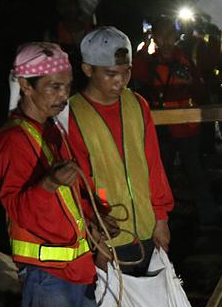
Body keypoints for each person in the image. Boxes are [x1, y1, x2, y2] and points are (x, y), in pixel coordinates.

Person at [0, 42, 123, 307]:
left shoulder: (54, 132)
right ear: (26, 87)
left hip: (77, 266)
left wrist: (98, 219)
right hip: (44, 272)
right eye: (52, 86)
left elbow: (74, 195)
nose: (62, 95)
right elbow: (17, 206)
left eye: (66, 86)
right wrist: (48, 184)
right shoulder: (11, 140)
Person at [67, 26, 175, 277]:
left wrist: (161, 218)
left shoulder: (137, 104)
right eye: (111, 74)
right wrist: (95, 232)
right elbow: (77, 183)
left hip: (147, 228)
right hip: (109, 233)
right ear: (88, 69)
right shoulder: (72, 114)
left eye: (126, 72)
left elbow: (153, 164)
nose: (121, 81)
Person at [130, 19, 217, 230]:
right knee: (161, 174)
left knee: (195, 170)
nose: (166, 41)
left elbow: (199, 88)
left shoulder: (185, 60)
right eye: (161, 35)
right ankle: (162, 220)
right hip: (161, 128)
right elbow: (135, 75)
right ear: (155, 37)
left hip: (186, 125)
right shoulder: (148, 62)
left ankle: (208, 217)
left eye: (170, 35)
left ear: (175, 37)